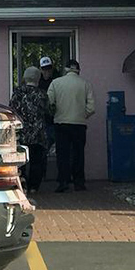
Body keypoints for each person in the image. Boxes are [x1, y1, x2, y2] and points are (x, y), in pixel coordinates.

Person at [47, 59, 95, 192]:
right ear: (78, 70)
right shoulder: (85, 84)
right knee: (78, 154)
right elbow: (91, 107)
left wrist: (55, 114)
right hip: (79, 124)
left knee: (63, 154)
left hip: (61, 123)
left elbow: (49, 103)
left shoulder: (55, 83)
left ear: (66, 69)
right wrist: (82, 115)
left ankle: (63, 182)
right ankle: (79, 182)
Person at [9, 66, 49, 195]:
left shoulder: (18, 93)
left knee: (21, 161)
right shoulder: (42, 94)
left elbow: (12, 110)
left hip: (21, 133)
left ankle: (23, 184)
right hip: (38, 133)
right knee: (37, 161)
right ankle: (34, 186)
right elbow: (48, 111)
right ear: (38, 78)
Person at [38, 55, 59, 150]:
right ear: (40, 69)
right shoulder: (37, 82)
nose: (47, 71)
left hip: (53, 119)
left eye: (48, 69)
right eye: (44, 69)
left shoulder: (56, 81)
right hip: (41, 119)